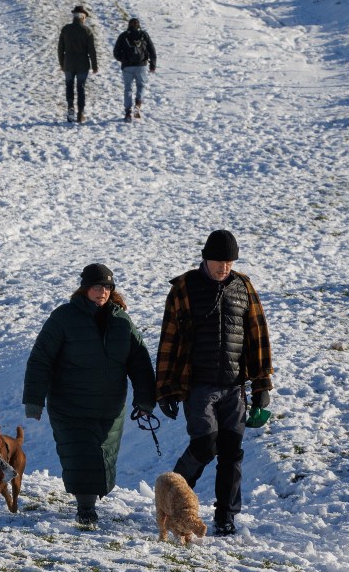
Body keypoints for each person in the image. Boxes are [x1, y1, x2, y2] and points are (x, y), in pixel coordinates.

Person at [154, 230, 274, 536]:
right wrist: (166, 388)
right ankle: (171, 502)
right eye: (219, 260)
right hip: (198, 386)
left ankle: (226, 516)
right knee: (205, 444)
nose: (224, 267)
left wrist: (261, 389)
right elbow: (169, 338)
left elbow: (258, 338)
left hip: (234, 386)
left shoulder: (243, 286)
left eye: (229, 261)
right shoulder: (184, 288)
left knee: (232, 451)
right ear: (205, 258)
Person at [23, 263, 157, 525]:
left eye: (107, 287)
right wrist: (34, 400)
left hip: (110, 407)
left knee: (102, 453)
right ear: (85, 288)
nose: (102, 292)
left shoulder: (122, 321)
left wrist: (145, 400)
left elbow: (139, 361)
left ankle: (91, 500)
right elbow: (41, 359)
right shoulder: (64, 318)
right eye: (97, 286)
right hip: (70, 404)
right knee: (81, 453)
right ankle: (86, 507)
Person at [112, 15, 159, 121]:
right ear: (139, 25)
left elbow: (116, 52)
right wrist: (153, 65)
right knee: (141, 85)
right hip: (141, 65)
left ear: (128, 25)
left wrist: (123, 59)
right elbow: (152, 50)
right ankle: (138, 104)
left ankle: (128, 112)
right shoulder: (144, 35)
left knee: (128, 88)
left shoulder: (123, 36)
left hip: (127, 66)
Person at [56, 5, 98, 123]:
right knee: (81, 88)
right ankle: (80, 113)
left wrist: (62, 63)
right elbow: (92, 50)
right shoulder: (87, 31)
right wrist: (94, 66)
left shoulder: (65, 29)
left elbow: (60, 48)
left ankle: (70, 108)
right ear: (83, 17)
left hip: (68, 63)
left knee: (69, 86)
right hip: (82, 64)